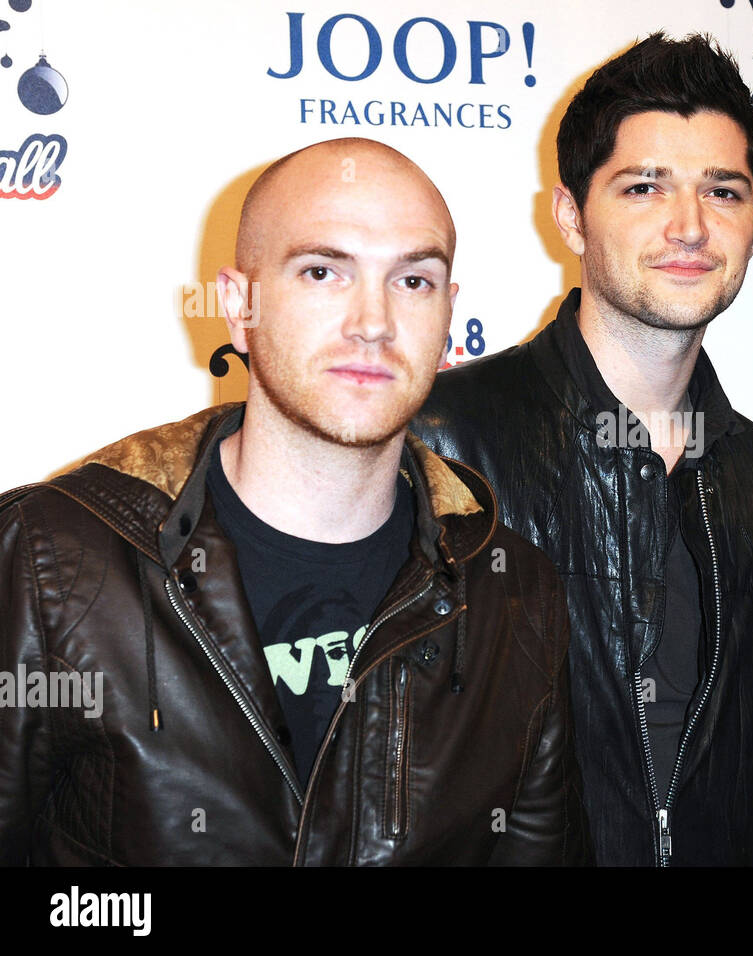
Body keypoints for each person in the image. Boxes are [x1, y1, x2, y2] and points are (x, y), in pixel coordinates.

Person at [0, 138, 586, 865]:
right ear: (238, 305)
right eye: (322, 271)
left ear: (447, 315)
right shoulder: (54, 557)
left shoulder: (513, 591)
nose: (373, 322)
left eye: (413, 281)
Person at [415, 34, 753, 866]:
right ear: (569, 216)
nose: (690, 225)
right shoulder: (446, 440)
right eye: (643, 186)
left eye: (723, 191)